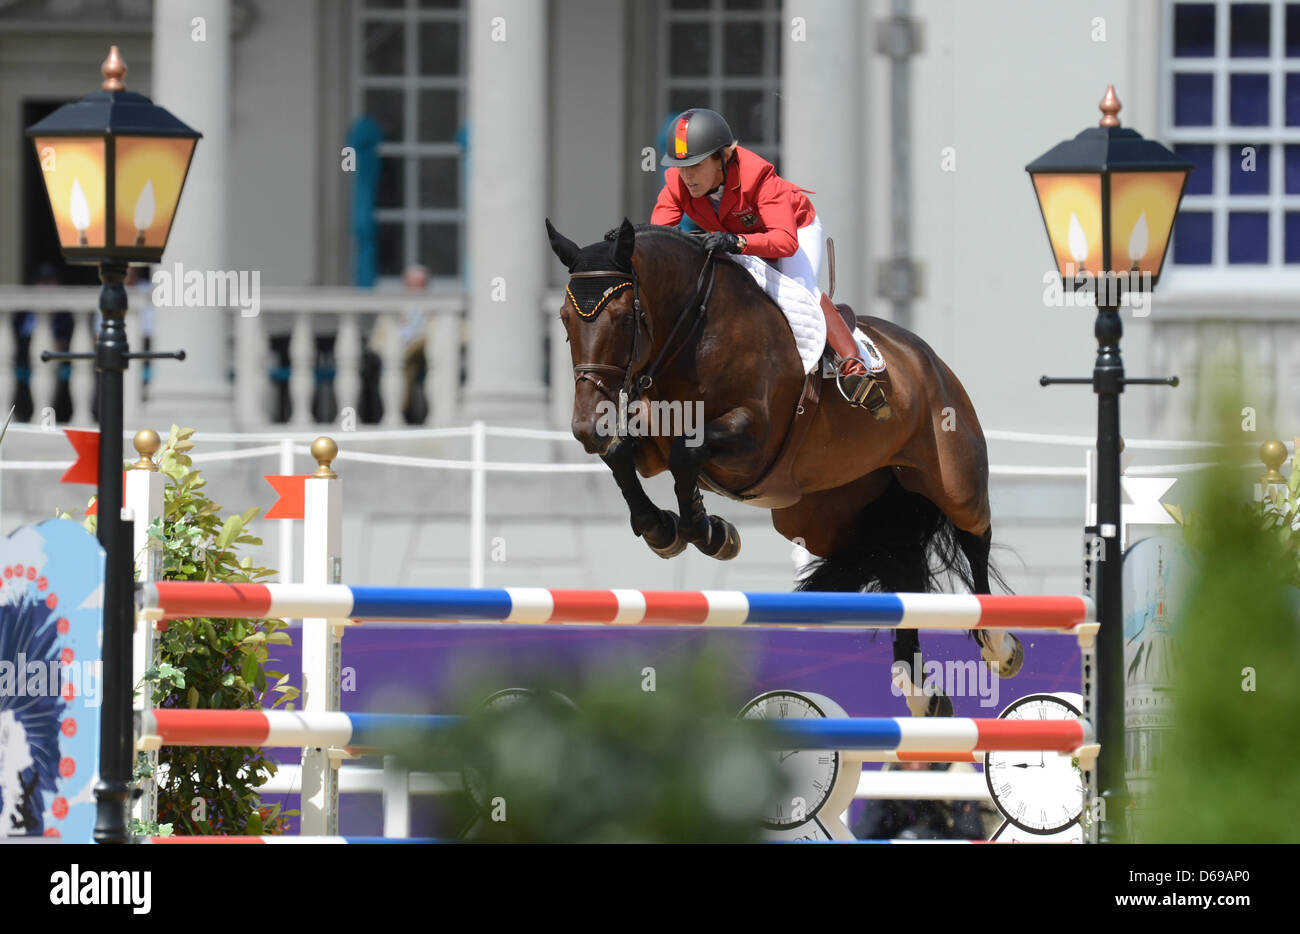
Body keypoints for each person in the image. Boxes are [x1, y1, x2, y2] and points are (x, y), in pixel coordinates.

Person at [651, 108, 889, 418]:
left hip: (795, 229)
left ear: (722, 157)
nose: (687, 176)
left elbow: (784, 242)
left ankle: (853, 365)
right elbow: (660, 238)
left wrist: (737, 243)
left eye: (695, 165)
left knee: (799, 292)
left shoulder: (758, 176)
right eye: (680, 167)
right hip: (736, 237)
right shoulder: (676, 182)